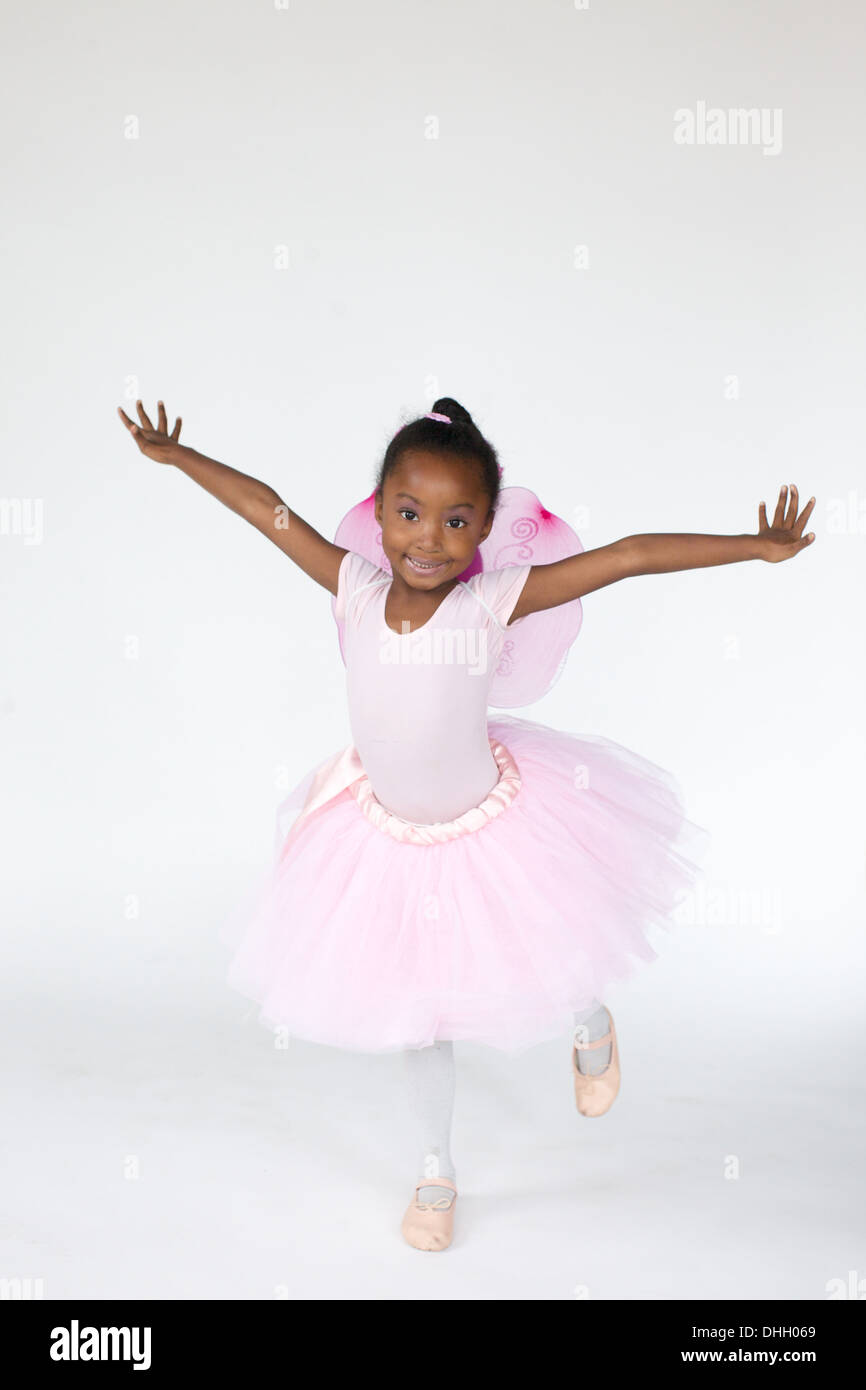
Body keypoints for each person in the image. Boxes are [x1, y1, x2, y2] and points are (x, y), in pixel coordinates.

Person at [118, 394, 816, 1253]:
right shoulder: (353, 584)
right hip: (383, 840)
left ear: (485, 527)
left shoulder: (491, 602)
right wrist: (181, 458)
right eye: (409, 514)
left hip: (492, 828)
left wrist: (756, 546)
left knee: (547, 938)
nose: (428, 538)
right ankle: (436, 1168)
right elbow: (268, 510)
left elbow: (627, 555)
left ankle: (589, 1020)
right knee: (420, 1015)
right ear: (377, 514)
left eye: (456, 521)